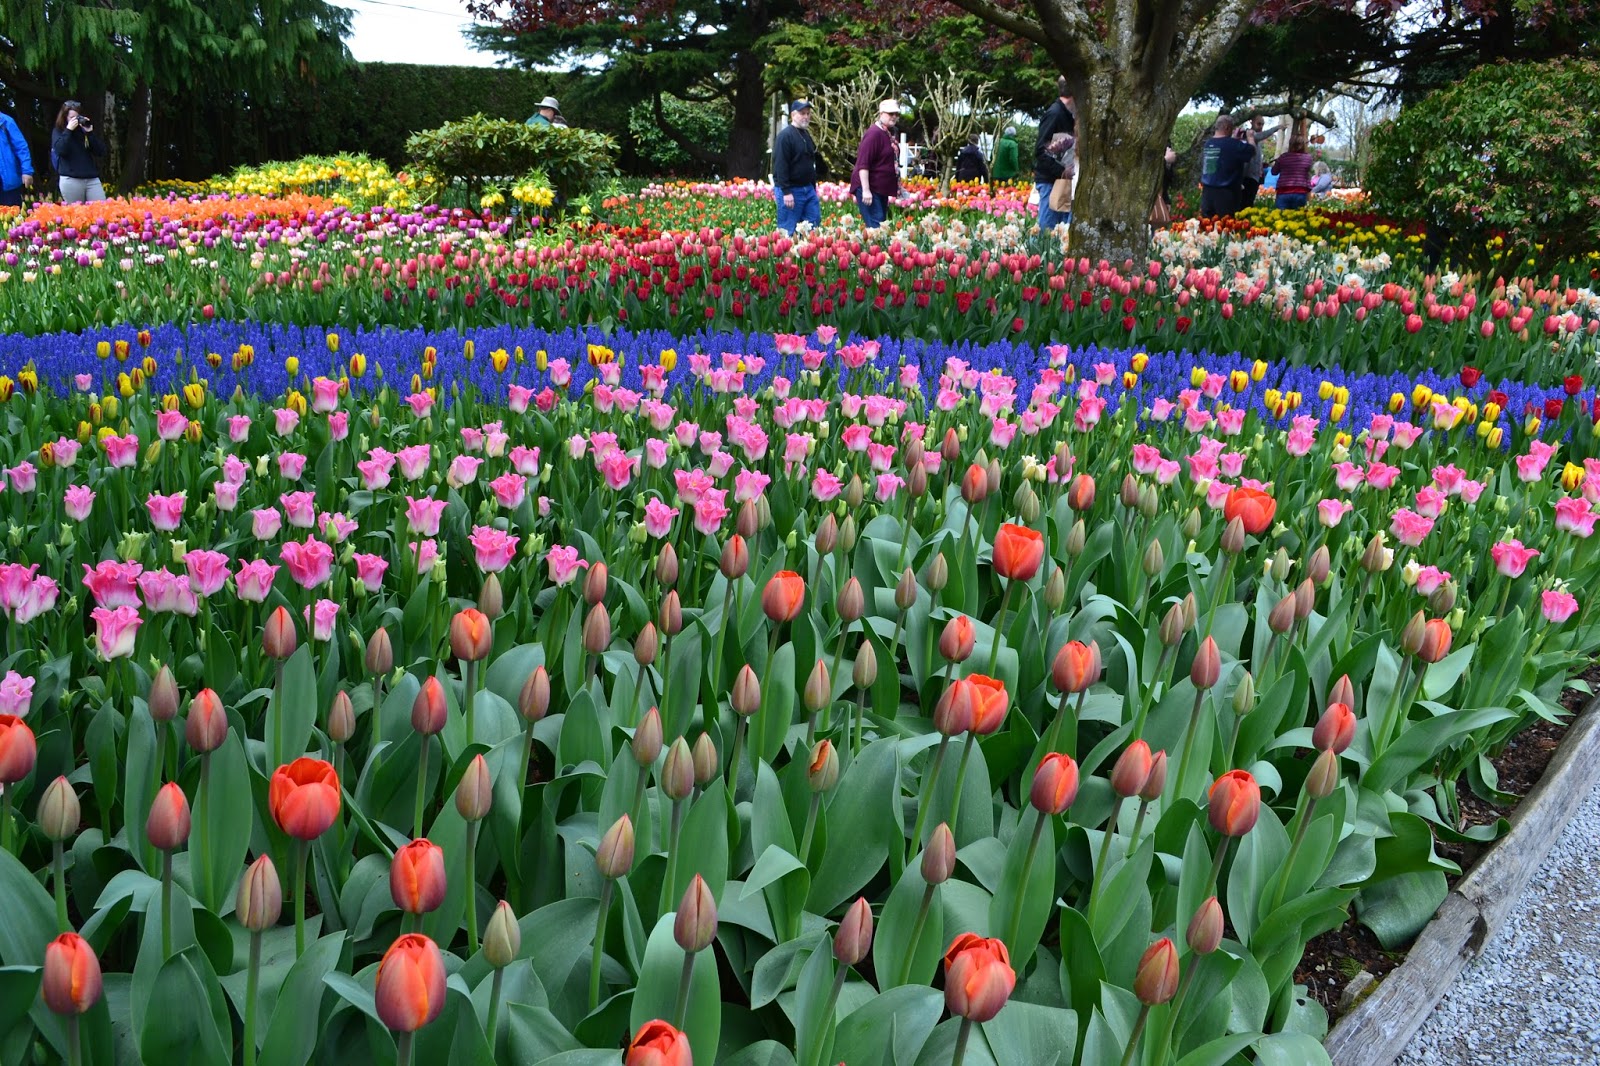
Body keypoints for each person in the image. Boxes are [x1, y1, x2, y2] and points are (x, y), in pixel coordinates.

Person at [1033, 76, 1076, 231]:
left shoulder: (1068, 115)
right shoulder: (1055, 114)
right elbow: (1040, 151)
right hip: (1051, 181)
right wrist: (1062, 171)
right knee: (1047, 232)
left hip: (1061, 182)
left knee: (1059, 233)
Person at [851, 99, 901, 230]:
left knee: (881, 226)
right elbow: (863, 164)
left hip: (880, 188)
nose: (894, 116)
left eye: (896, 114)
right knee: (876, 227)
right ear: (881, 113)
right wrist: (866, 190)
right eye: (891, 113)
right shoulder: (874, 134)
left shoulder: (888, 132)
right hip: (869, 187)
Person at [773, 99, 820, 233]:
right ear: (793, 115)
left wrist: (813, 187)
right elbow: (780, 165)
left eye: (808, 113)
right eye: (802, 113)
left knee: (813, 226)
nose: (806, 116)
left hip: (808, 189)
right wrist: (786, 192)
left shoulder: (806, 135)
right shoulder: (785, 136)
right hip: (791, 191)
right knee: (788, 230)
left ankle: (808, 253)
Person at [1198, 114, 1254, 218]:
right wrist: (1250, 138)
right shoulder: (1233, 145)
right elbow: (1251, 152)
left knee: (1207, 227)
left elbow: (1224, 150)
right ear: (1227, 127)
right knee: (1225, 229)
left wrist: (1234, 138)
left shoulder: (1208, 144)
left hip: (1207, 193)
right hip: (1226, 195)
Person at [53, 101, 106, 204]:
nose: (76, 120)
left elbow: (101, 151)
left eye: (77, 117)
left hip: (91, 178)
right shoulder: (59, 131)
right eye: (72, 117)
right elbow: (60, 150)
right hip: (71, 179)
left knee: (101, 209)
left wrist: (90, 133)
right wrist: (68, 131)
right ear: (64, 118)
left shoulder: (83, 131)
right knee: (77, 214)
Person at [1269, 133, 1314, 209]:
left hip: (1283, 191)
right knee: (1297, 218)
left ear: (1290, 144)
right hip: (1300, 191)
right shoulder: (1308, 158)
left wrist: (1278, 162)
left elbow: (1274, 172)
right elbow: (1308, 170)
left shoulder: (1283, 157)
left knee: (1281, 218)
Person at [0, 108, 33, 208]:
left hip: (7, 181)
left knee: (12, 217)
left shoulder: (6, 122)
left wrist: (27, 171)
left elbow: (21, 147)